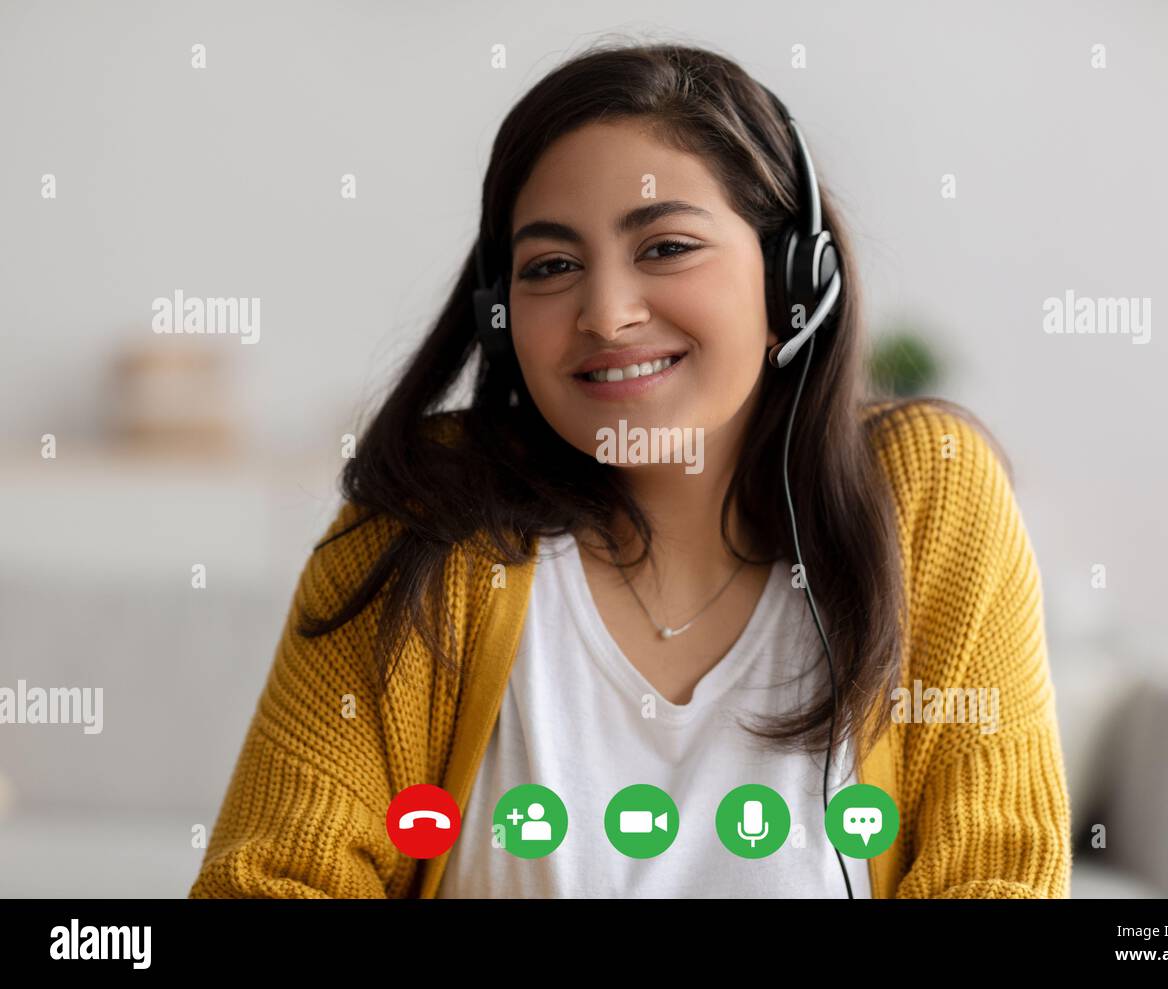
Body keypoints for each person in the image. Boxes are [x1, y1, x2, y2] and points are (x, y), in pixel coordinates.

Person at [189, 40, 1070, 899]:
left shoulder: (927, 490)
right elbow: (270, 881)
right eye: (552, 266)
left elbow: (996, 875)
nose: (606, 315)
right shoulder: (427, 508)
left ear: (791, 286)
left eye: (666, 247)